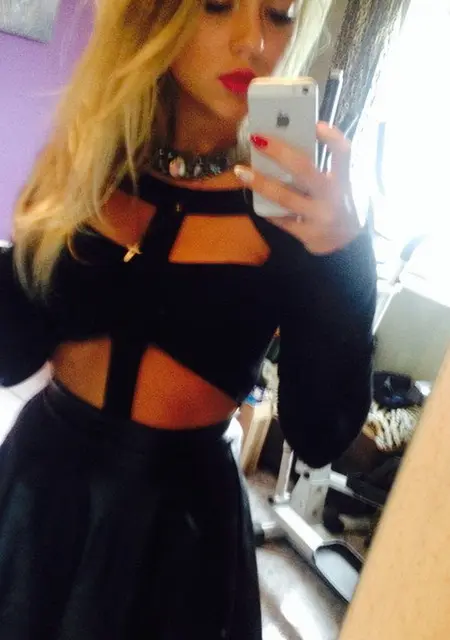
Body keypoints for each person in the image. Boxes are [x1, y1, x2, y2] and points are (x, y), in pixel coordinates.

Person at [0, 0, 377, 638]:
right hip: (40, 495)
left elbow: (320, 434)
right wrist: (44, 224)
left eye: (278, 13)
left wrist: (344, 262)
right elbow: (12, 354)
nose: (254, 42)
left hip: (178, 535)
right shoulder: (90, 167)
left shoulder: (291, 216)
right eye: (217, 5)